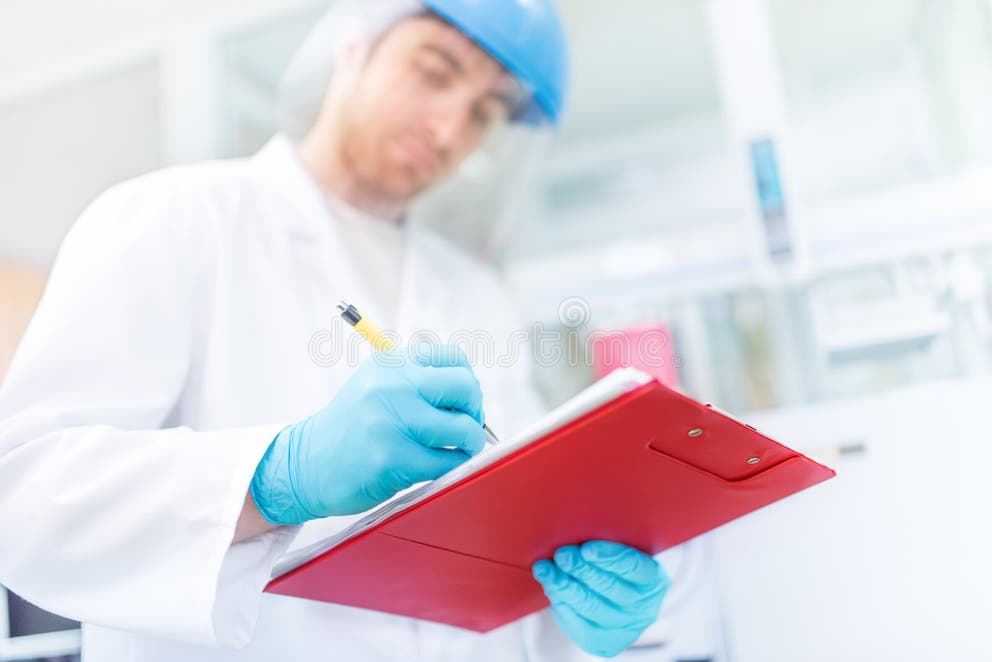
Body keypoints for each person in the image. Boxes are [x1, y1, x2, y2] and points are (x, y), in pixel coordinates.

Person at [0, 1, 670, 660]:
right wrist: (275, 476)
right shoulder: (170, 218)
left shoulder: (479, 298)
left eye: (485, 113)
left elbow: (514, 527)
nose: (448, 129)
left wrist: (571, 596)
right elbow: (23, 503)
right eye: (435, 72)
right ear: (354, 46)